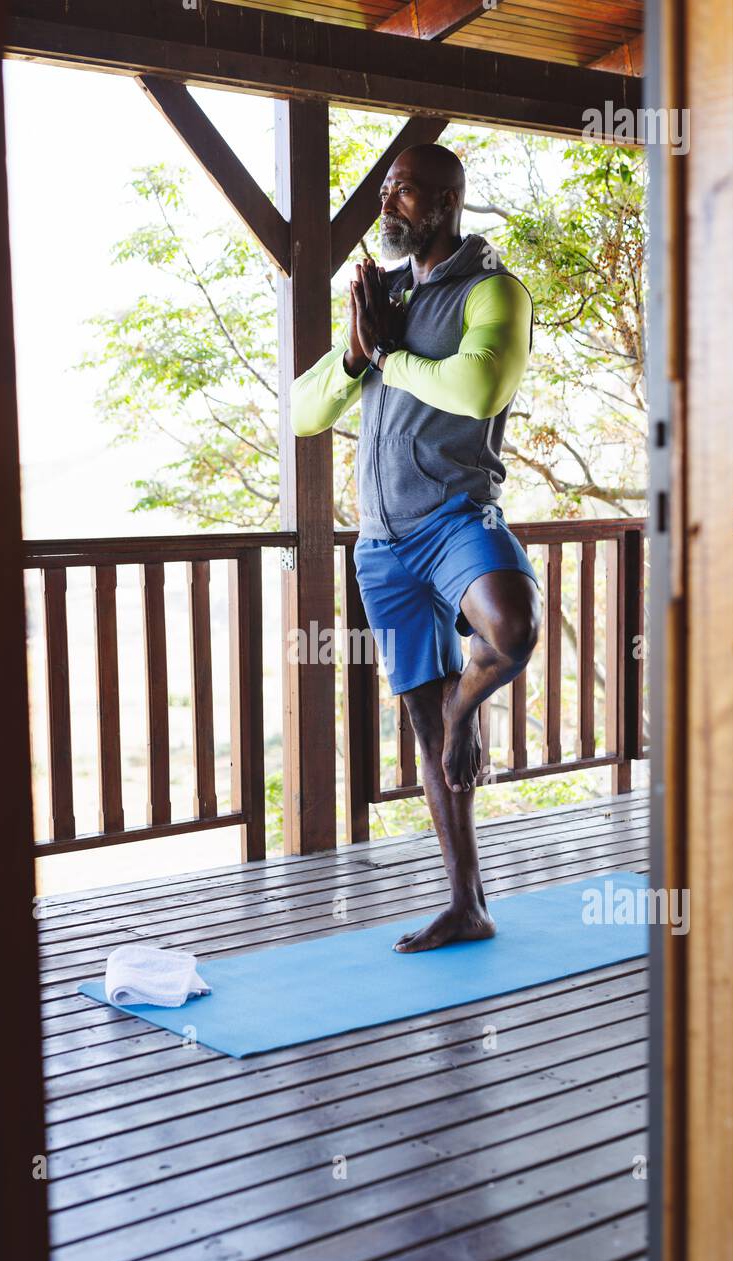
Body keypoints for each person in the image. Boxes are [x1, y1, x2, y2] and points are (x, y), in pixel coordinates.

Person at [290, 143, 541, 952]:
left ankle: (468, 714)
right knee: (423, 730)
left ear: (445, 200)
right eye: (385, 191)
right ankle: (466, 903)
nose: (388, 204)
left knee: (511, 630)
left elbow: (476, 388)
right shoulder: (381, 299)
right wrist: (359, 350)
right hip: (380, 544)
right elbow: (301, 411)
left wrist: (391, 355)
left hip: (456, 519)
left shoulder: (492, 290)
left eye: (402, 192)